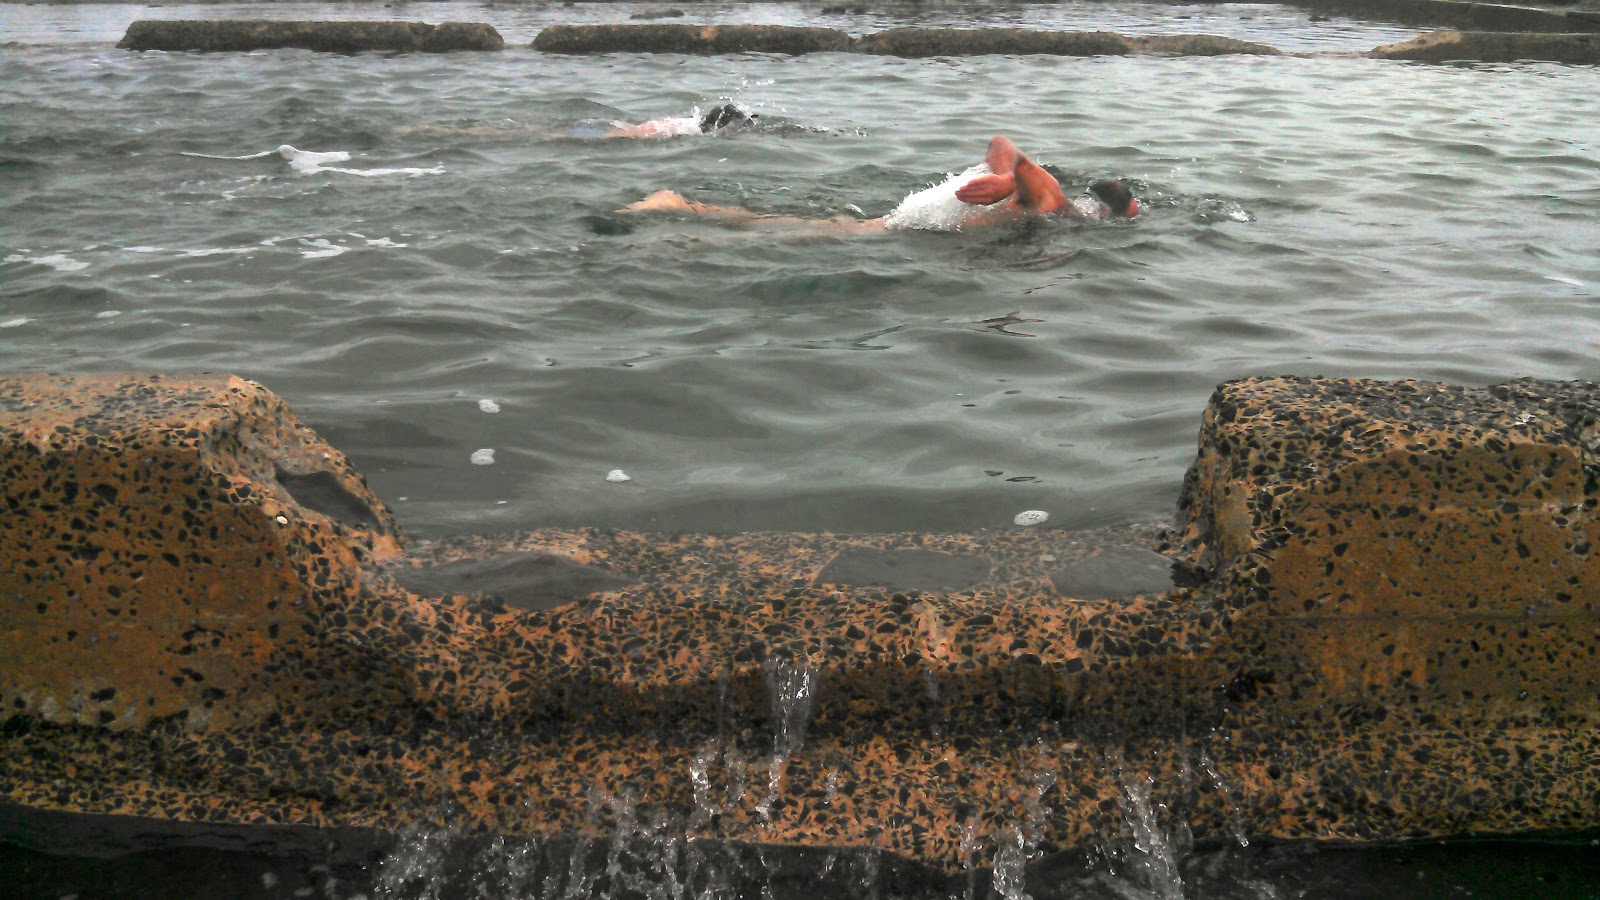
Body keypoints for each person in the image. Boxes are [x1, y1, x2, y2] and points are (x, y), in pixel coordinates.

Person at [619, 135, 1139, 234]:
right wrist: (1005, 180)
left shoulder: (1052, 204)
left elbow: (1008, 151)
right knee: (804, 233)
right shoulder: (1058, 203)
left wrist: (1005, 180)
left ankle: (685, 211)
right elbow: (1008, 147)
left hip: (920, 220)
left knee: (813, 229)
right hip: (910, 224)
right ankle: (679, 208)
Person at [593, 103, 757, 139]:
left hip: (655, 127)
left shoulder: (692, 124)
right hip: (652, 131)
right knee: (623, 134)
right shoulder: (693, 132)